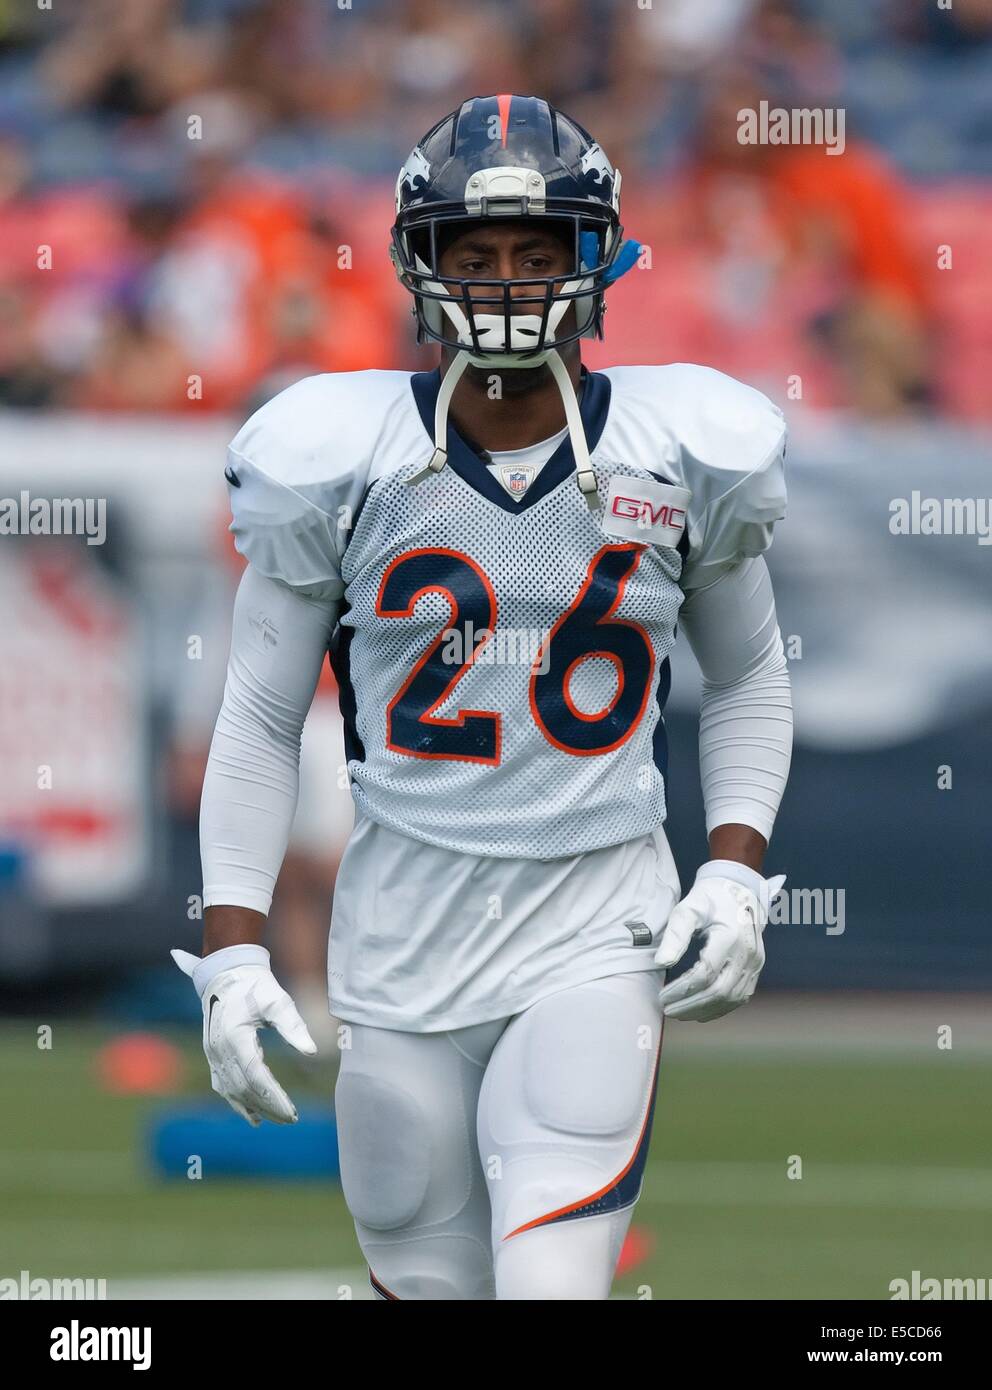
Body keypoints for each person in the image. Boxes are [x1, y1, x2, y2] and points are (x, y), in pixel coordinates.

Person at [173, 94, 792, 1301]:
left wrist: (729, 864)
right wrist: (233, 948)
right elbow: (254, 716)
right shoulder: (335, 458)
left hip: (591, 921)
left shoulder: (680, 446)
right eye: (474, 255)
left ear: (590, 259)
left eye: (534, 253)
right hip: (396, 937)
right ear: (423, 264)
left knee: (548, 1282)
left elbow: (752, 673)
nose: (505, 282)